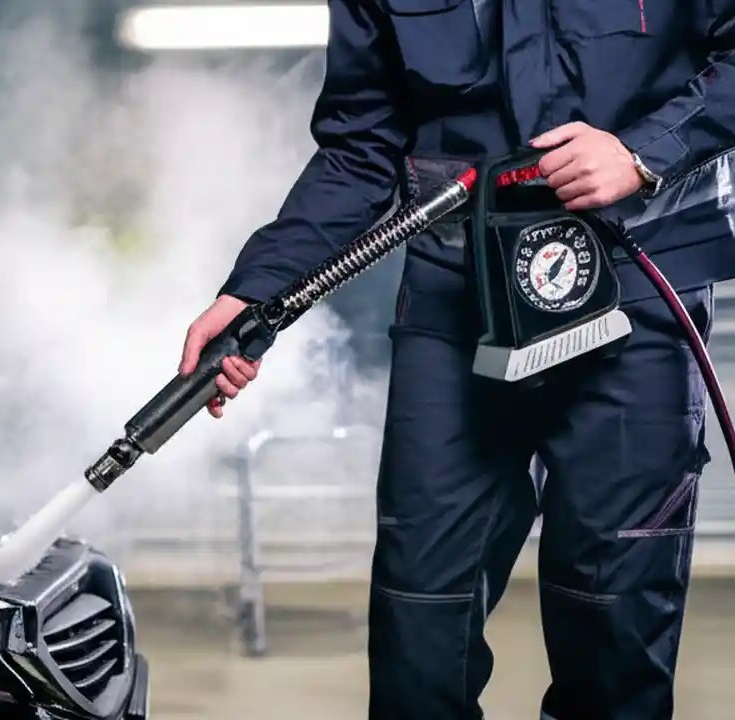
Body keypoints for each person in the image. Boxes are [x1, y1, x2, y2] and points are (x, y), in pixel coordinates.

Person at [178, 2, 735, 718]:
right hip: (456, 306)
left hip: (635, 294)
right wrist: (253, 291)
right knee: (420, 624)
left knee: (615, 626)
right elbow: (359, 147)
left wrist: (642, 154)